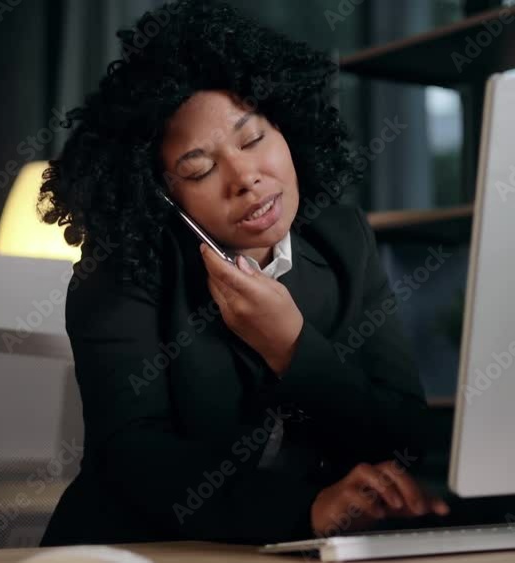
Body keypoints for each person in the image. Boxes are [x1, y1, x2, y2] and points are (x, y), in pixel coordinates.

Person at [39, 0, 448, 547]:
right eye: (200, 170)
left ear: (287, 127)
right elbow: (134, 458)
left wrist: (292, 346)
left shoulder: (344, 241)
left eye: (253, 139)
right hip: (141, 551)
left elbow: (404, 437)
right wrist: (308, 510)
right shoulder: (121, 273)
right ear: (161, 195)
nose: (245, 179)